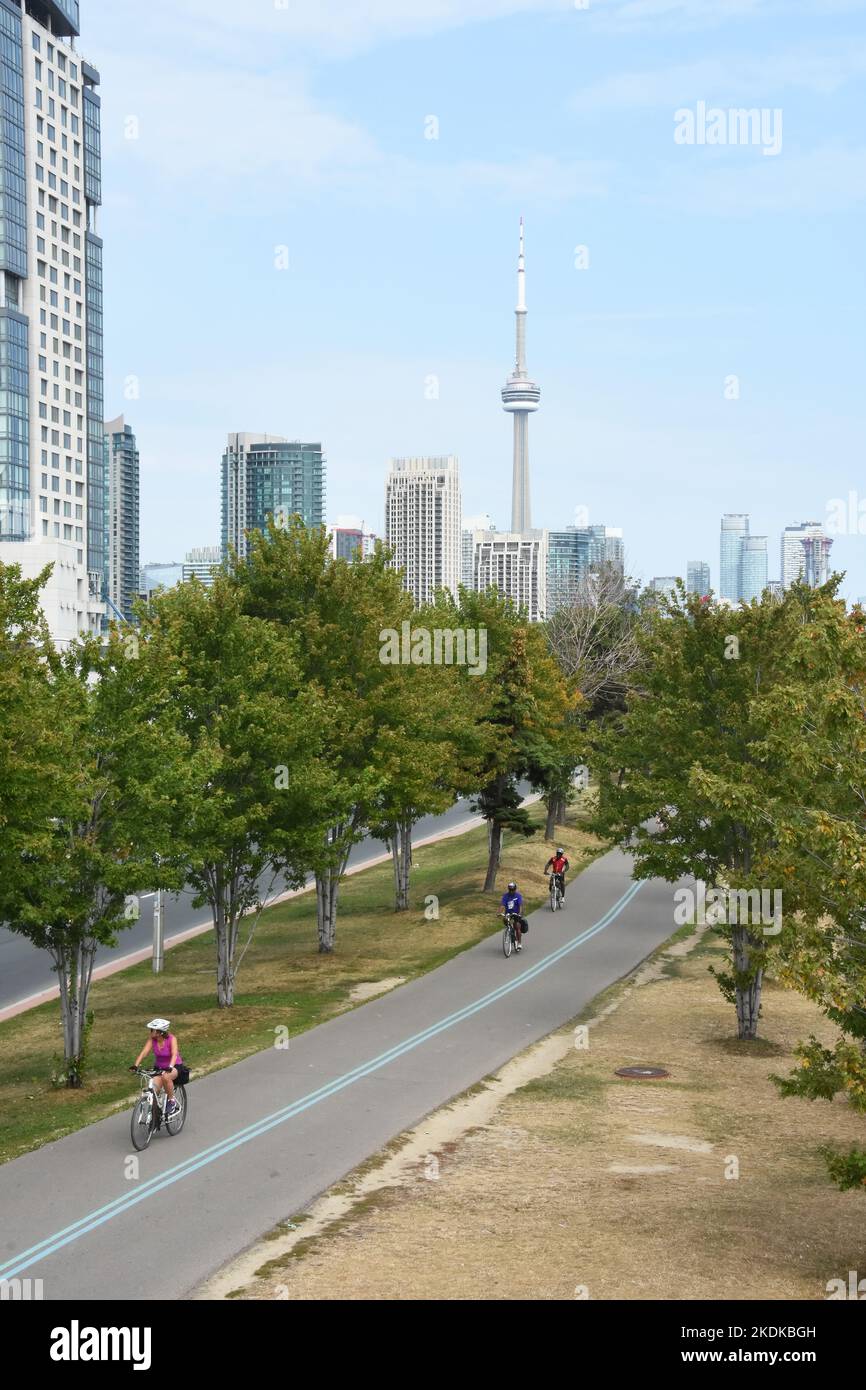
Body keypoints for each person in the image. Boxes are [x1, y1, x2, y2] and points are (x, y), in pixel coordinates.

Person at [131, 1019, 189, 1117]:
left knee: (166, 1077)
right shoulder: (152, 1039)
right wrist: (135, 1065)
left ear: (159, 1032)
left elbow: (174, 1054)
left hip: (174, 1066)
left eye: (152, 1030)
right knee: (153, 1089)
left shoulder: (171, 1039)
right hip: (159, 1068)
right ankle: (156, 1114)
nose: (150, 1032)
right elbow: (144, 1052)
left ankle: (171, 1101)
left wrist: (170, 1066)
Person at [500, 881, 529, 951]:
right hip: (508, 914)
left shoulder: (518, 896)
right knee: (506, 921)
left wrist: (519, 913)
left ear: (515, 889)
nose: (511, 891)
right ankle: (511, 933)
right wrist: (499, 912)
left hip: (516, 913)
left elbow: (520, 906)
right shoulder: (505, 896)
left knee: (517, 926)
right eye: (510, 890)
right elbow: (502, 905)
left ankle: (519, 943)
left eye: (512, 890)